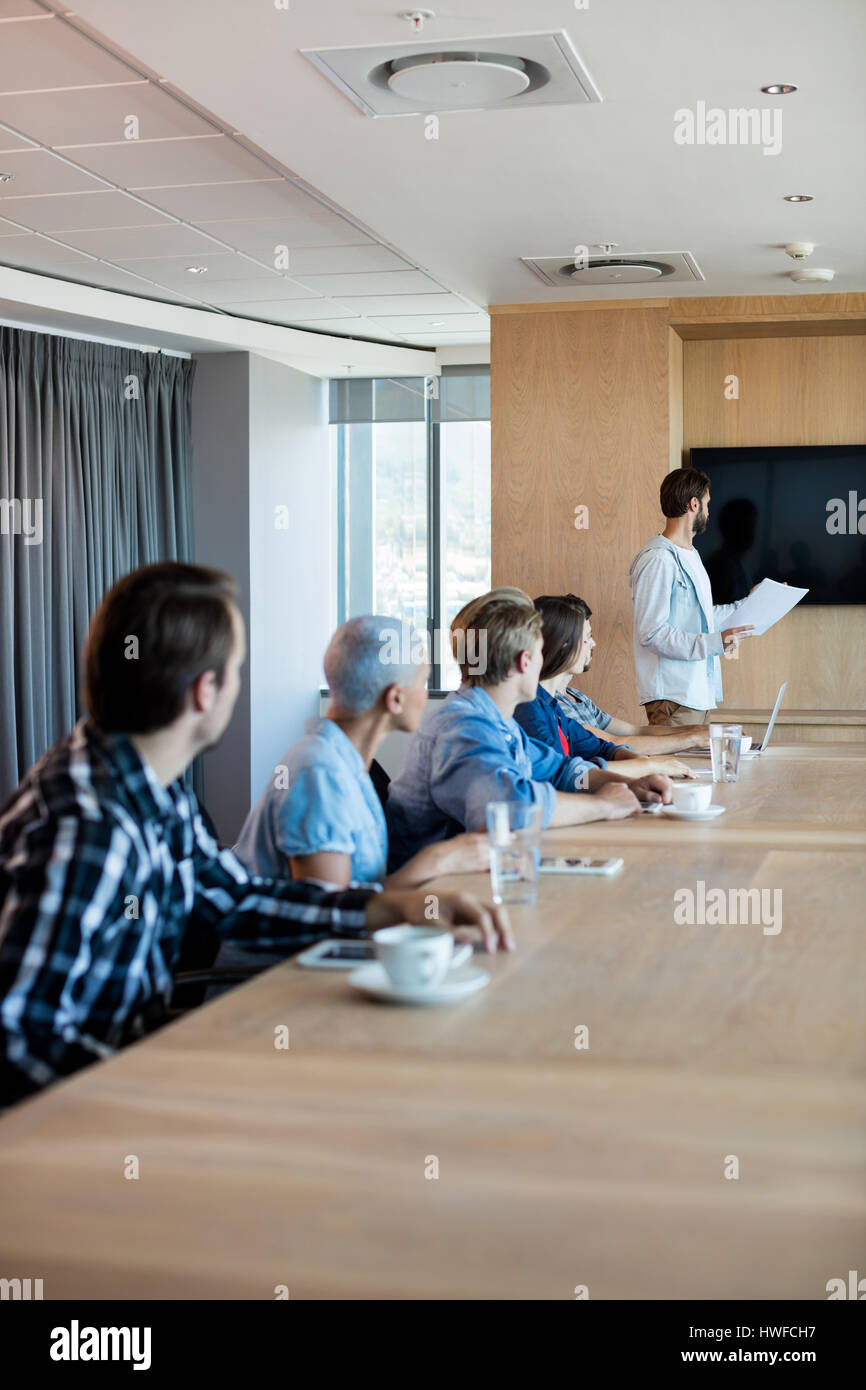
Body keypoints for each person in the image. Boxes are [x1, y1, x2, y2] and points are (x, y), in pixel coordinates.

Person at [0, 564, 512, 1104]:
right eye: (237, 669)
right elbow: (18, 1044)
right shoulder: (87, 828)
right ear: (205, 691)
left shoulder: (153, 787)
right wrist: (171, 1092)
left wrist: (400, 909)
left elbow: (235, 898)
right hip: (98, 1121)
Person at [385, 588, 672, 870]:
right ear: (525, 661)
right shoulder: (464, 727)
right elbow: (510, 809)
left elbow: (561, 771)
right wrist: (605, 805)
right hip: (430, 894)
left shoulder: (497, 720)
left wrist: (623, 785)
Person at [234, 615, 489, 890]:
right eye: (423, 681)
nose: (426, 695)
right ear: (395, 698)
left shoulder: (349, 765)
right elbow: (330, 914)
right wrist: (438, 860)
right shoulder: (319, 773)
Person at [514, 596, 697, 777]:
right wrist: (648, 766)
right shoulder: (528, 706)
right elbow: (563, 774)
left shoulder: (549, 703)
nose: (592, 644)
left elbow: (602, 747)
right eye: (586, 639)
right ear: (561, 645)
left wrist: (644, 763)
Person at [629, 467, 756, 726]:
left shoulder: (691, 555)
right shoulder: (659, 559)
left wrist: (749, 604)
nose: (709, 512)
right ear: (694, 504)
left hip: (698, 695)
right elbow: (651, 634)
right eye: (707, 504)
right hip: (673, 698)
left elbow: (705, 618)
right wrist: (714, 643)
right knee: (678, 768)